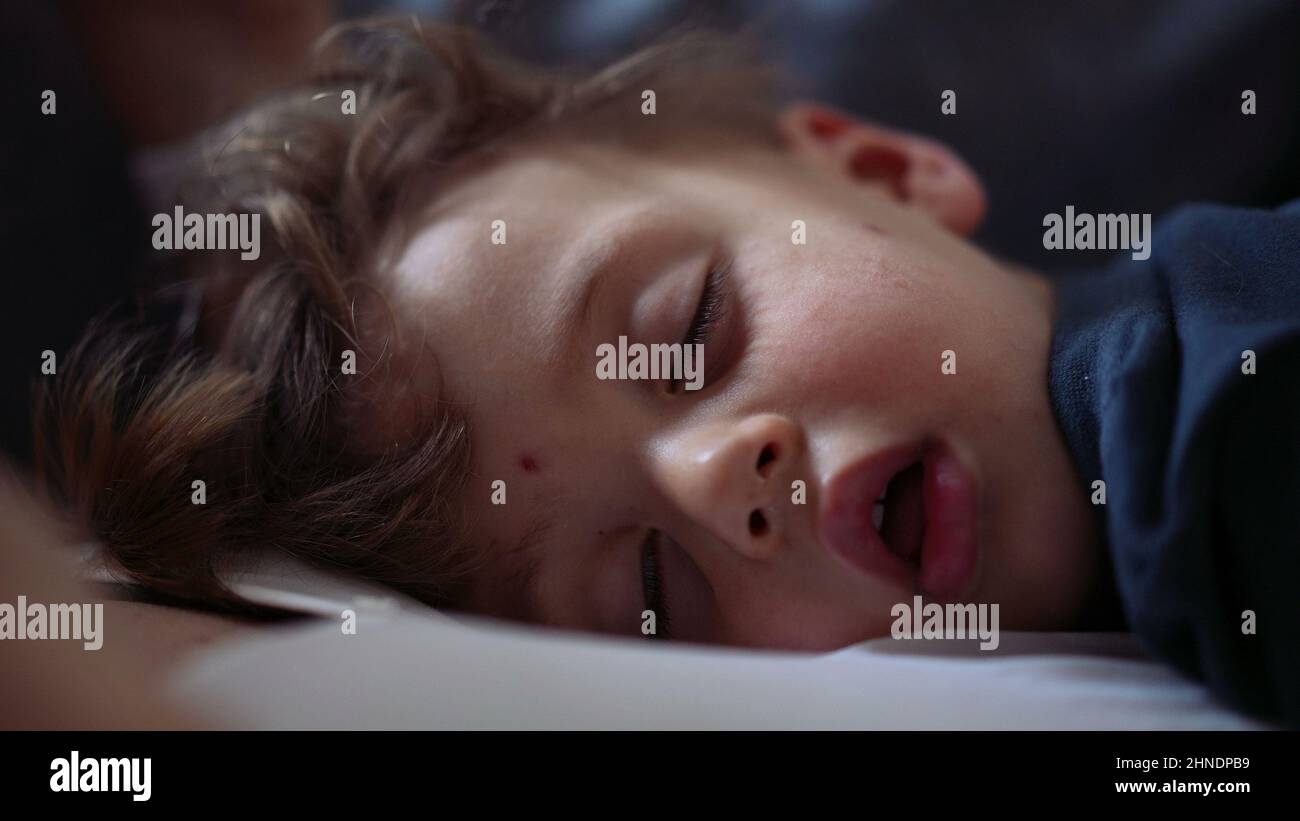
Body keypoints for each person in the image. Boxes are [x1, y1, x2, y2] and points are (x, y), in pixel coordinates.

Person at [32, 18, 1298, 726]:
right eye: (650, 591)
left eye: (690, 329)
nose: (714, 484)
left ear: (874, 171)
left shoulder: (1205, 420)